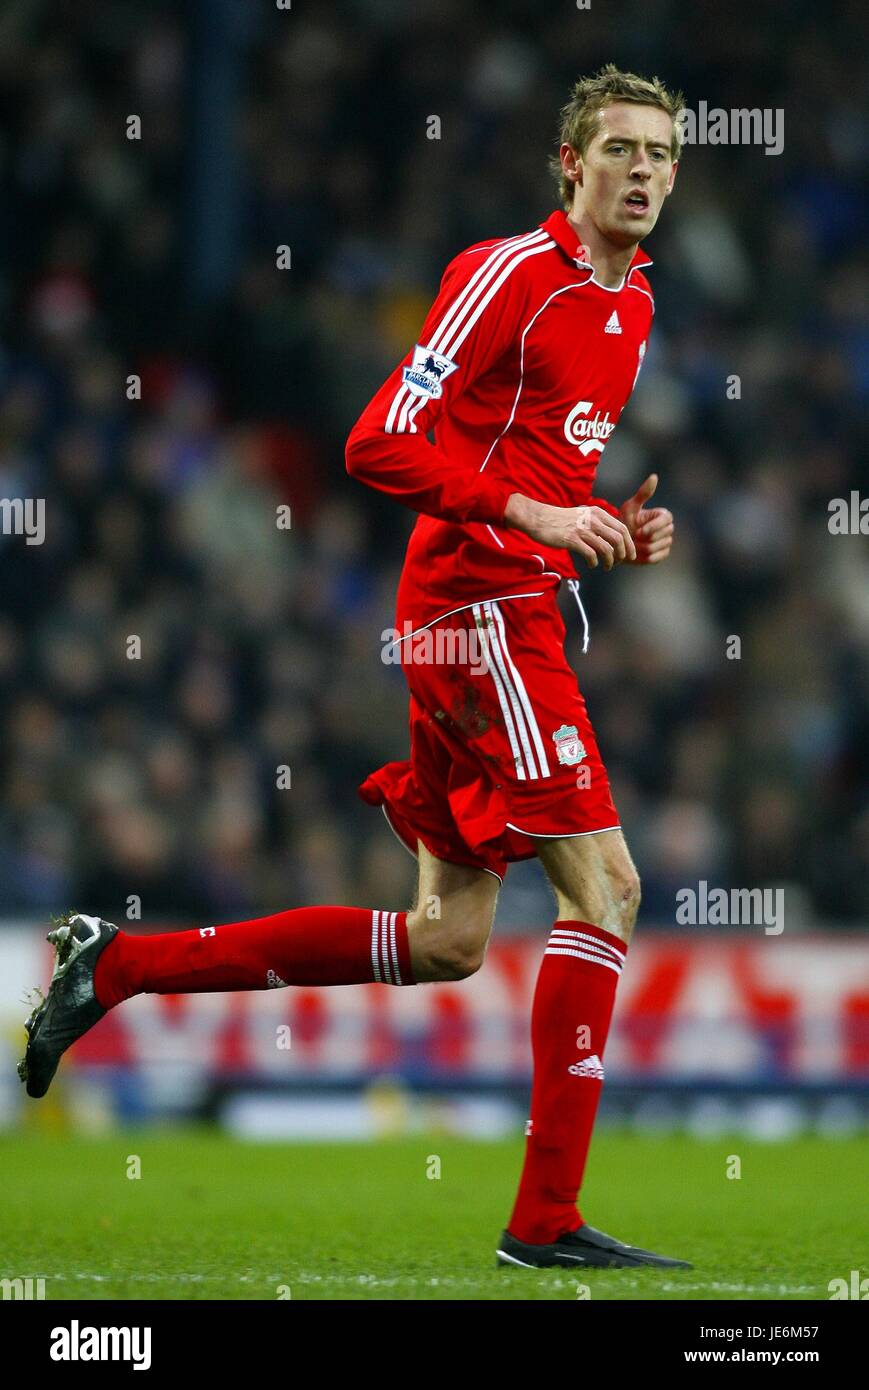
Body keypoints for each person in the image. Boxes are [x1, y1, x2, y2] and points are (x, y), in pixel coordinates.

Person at [20, 65, 689, 1272]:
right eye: (620, 150)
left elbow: (536, 463)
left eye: (661, 155)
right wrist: (531, 519)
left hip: (506, 601)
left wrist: (606, 528)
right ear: (569, 164)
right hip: (476, 605)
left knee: (444, 940)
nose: (643, 172)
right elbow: (376, 439)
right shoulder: (507, 276)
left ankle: (115, 965)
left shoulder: (633, 302)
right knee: (611, 890)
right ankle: (543, 1224)